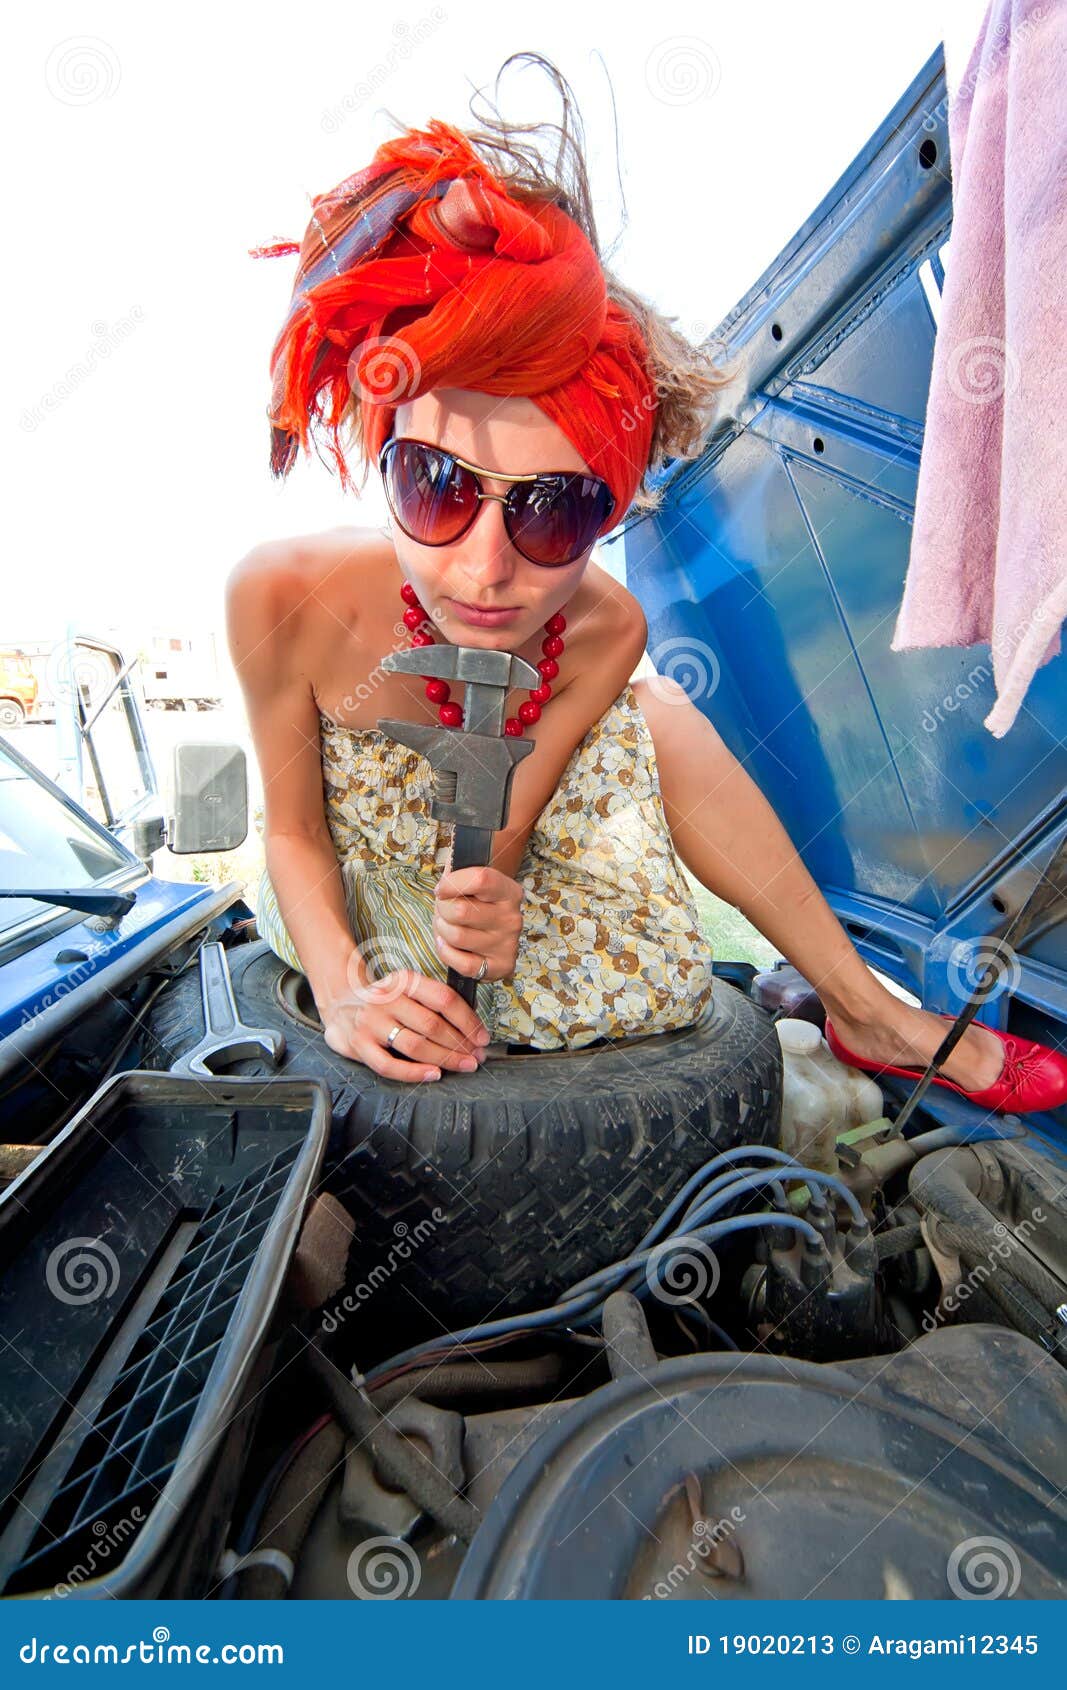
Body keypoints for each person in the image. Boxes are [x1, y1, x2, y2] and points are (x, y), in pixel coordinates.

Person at [229, 61, 1067, 1114]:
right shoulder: (279, 600)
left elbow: (509, 821)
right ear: (383, 453)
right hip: (339, 878)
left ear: (611, 512)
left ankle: (867, 1010)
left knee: (657, 713)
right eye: (437, 487)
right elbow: (294, 832)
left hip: (470, 856)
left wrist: (492, 895)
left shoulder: (605, 626)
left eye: (552, 512)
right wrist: (346, 993)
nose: (487, 567)